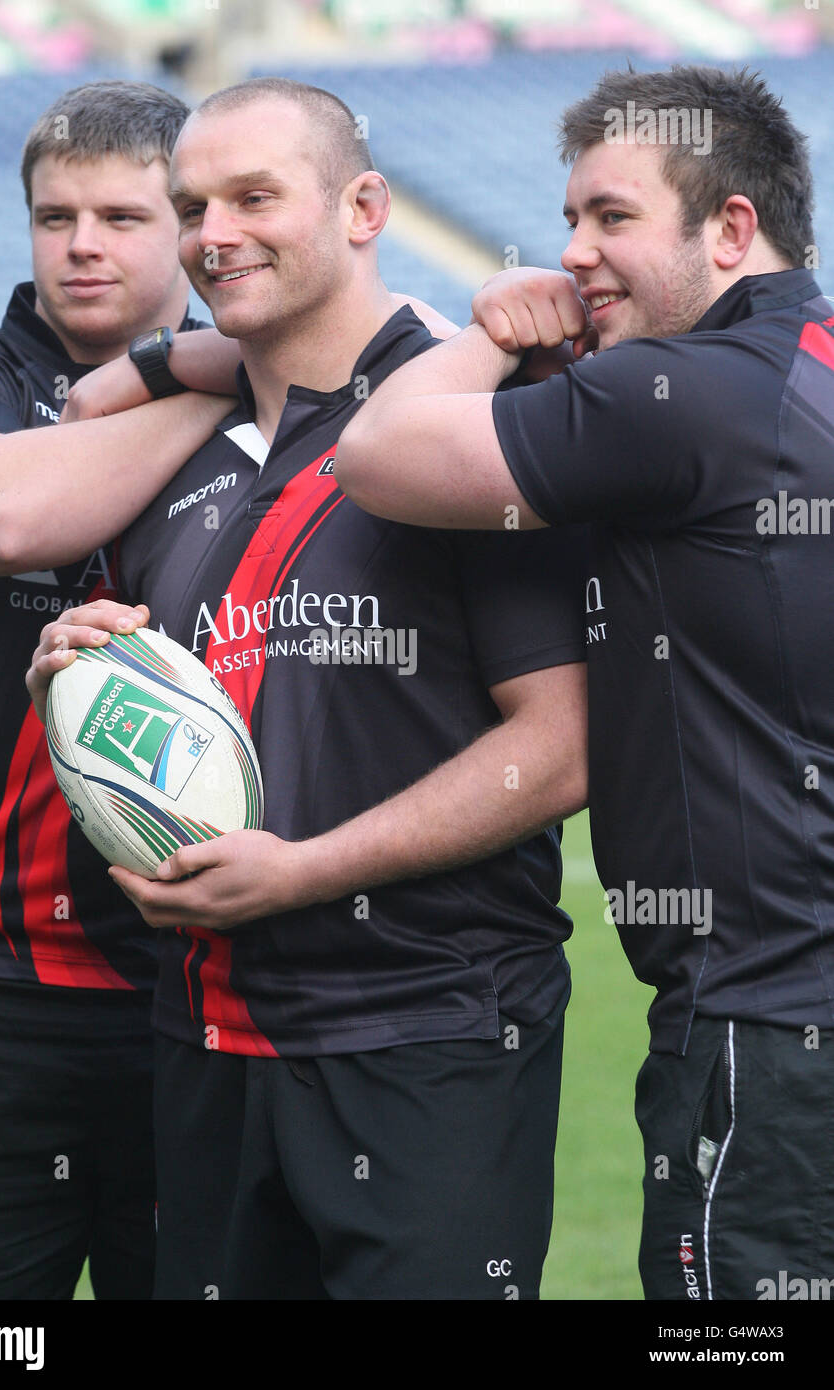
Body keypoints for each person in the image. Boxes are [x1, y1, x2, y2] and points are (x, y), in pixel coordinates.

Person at [26, 75, 590, 1301]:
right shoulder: (185, 456)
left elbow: (557, 748)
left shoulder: (469, 424)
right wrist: (74, 682)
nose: (212, 231)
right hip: (205, 1047)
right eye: (191, 205)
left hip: (425, 1036)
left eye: (254, 195)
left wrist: (304, 870)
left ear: (363, 205)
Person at [335, 64, 834, 1301]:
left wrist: (491, 323)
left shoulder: (690, 394)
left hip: (763, 1021)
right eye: (566, 222)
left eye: (609, 218)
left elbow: (378, 456)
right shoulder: (803, 366)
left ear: (729, 229)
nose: (572, 253)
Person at [0, 80, 241, 1301]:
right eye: (56, 218)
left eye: (121, 217)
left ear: (191, 228)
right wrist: (217, 378)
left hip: (199, 983)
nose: (82, 244)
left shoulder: (283, 419)